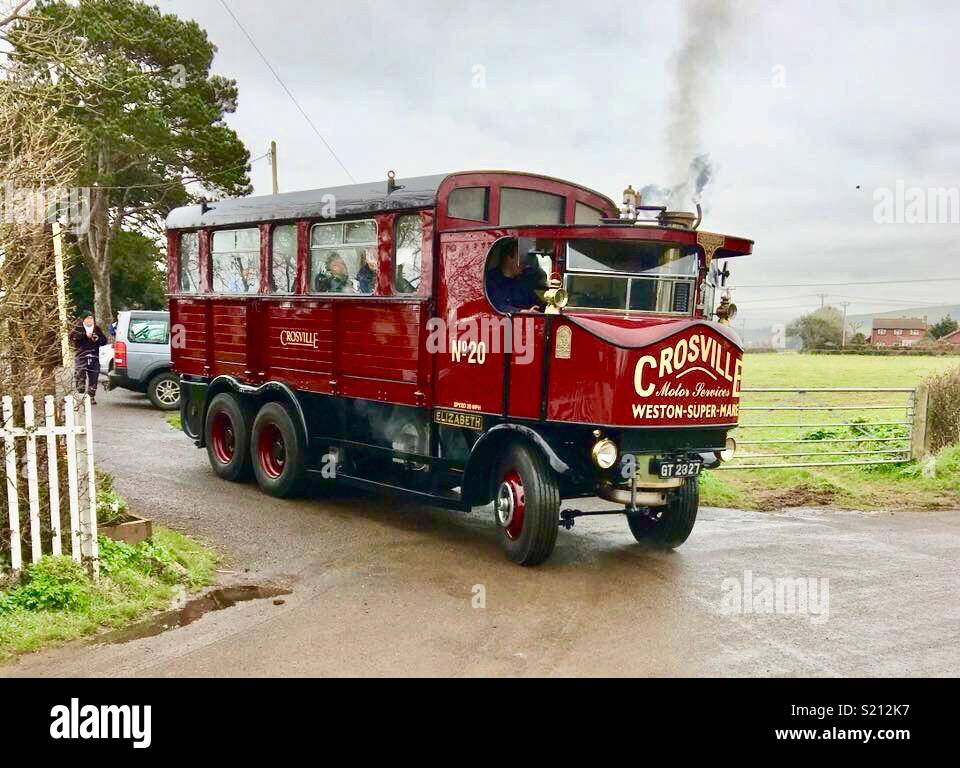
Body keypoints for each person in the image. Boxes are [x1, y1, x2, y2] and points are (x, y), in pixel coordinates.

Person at [486, 242, 543, 313]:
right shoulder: (491, 279)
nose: (524, 262)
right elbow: (497, 306)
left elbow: (538, 303)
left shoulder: (522, 281)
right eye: (521, 257)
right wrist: (521, 312)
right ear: (509, 258)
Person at [69, 312, 108, 403]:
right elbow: (72, 337)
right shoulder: (78, 328)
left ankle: (91, 396)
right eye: (88, 318)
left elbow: (104, 341)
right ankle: (81, 395)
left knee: (94, 376)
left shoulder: (96, 328)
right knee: (80, 375)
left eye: (91, 318)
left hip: (94, 356)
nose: (90, 320)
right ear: (84, 319)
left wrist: (97, 338)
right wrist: (84, 336)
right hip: (81, 355)